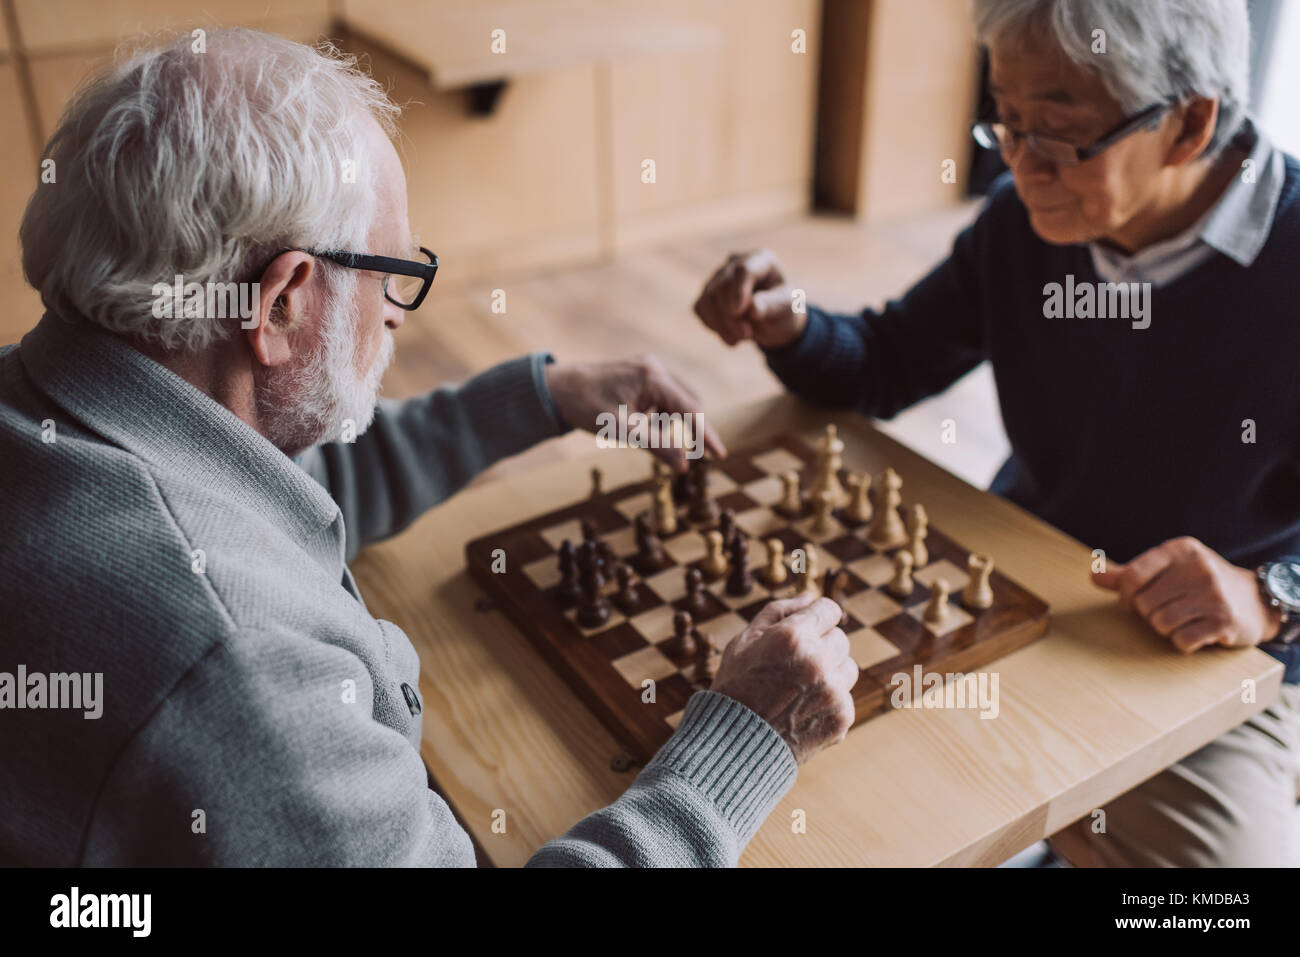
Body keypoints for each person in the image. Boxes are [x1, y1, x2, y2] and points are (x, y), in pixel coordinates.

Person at [0, 28, 859, 866]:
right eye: (391, 276)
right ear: (283, 302)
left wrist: (537, 397)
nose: (401, 313)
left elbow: (267, 498)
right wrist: (736, 751)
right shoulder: (248, 670)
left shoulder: (56, 405)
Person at [694, 0, 1300, 867]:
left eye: (1055, 134)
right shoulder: (1021, 223)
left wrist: (1272, 594)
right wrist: (791, 326)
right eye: (1003, 122)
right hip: (1014, 581)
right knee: (839, 826)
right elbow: (884, 361)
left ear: (1190, 123)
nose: (1017, 163)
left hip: (1208, 656)